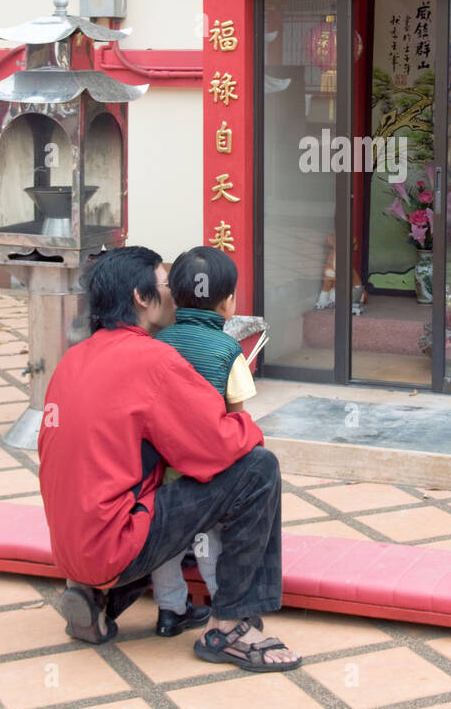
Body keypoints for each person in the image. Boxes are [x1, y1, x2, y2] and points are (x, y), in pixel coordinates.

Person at [38, 246, 300, 672]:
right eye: (165, 285)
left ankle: (94, 597)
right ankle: (230, 626)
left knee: (142, 484)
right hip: (117, 542)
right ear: (142, 298)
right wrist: (248, 427)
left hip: (71, 548)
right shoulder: (153, 360)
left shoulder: (74, 358)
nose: (176, 296)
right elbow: (214, 446)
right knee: (258, 469)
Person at [149, 246, 256, 637]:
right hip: (209, 473)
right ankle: (222, 609)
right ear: (228, 303)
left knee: (169, 544)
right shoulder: (229, 350)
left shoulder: (156, 345)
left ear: (175, 298)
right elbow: (237, 419)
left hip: (164, 470)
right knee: (210, 540)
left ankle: (170, 611)